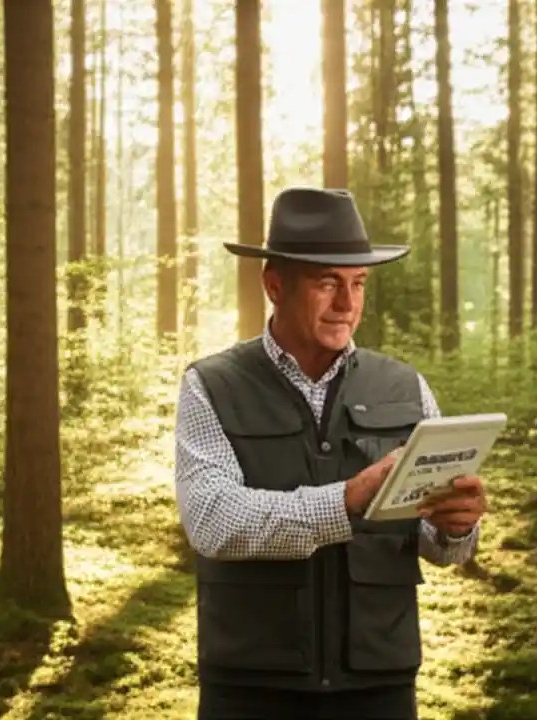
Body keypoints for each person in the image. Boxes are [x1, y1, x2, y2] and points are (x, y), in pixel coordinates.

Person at [173, 187, 489, 720]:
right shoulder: (212, 385)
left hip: (379, 688)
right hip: (250, 689)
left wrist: (458, 528)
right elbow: (212, 519)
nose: (348, 304)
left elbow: (441, 548)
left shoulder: (407, 388)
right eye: (327, 283)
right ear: (275, 284)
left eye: (358, 284)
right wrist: (344, 500)